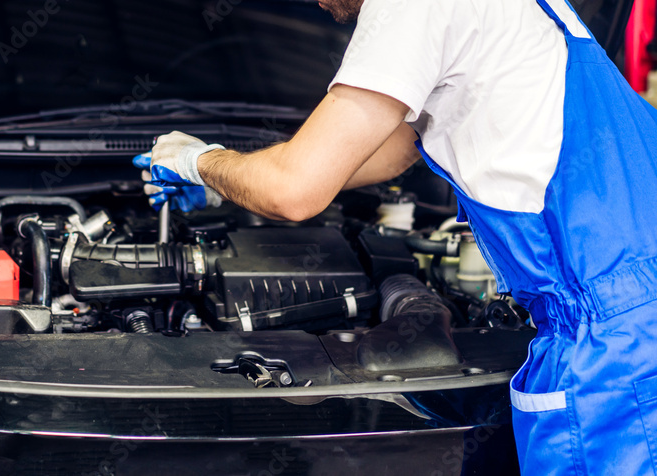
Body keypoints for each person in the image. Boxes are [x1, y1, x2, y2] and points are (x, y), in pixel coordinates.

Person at [134, 0, 657, 473]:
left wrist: (197, 160)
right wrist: (231, 184)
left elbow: (294, 191)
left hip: (612, 345)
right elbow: (398, 148)